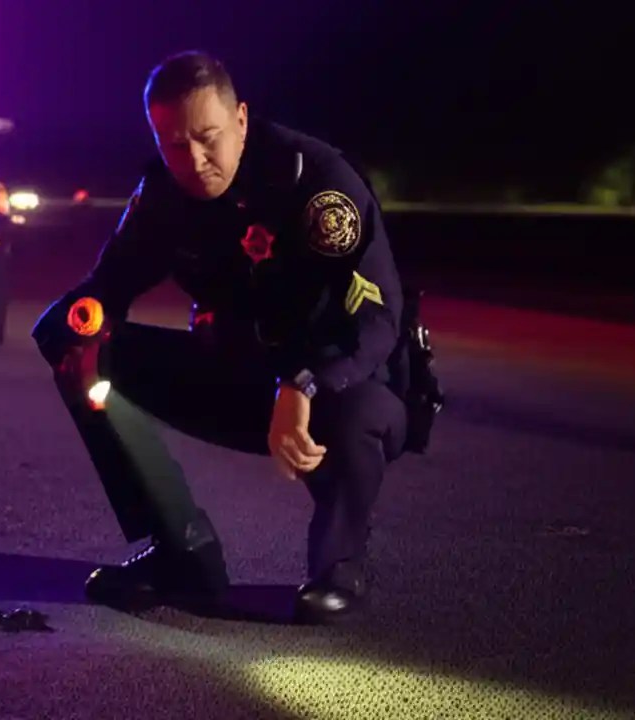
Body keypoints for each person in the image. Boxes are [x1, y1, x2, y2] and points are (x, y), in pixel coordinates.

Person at [33, 50, 425, 624]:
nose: (192, 160)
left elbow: (378, 321)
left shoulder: (317, 185)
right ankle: (179, 552)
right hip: (240, 376)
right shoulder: (164, 192)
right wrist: (76, 321)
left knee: (358, 404)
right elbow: (111, 281)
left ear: (241, 119)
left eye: (207, 137)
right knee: (75, 344)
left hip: (341, 385)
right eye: (172, 144)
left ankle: (338, 567)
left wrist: (304, 383)